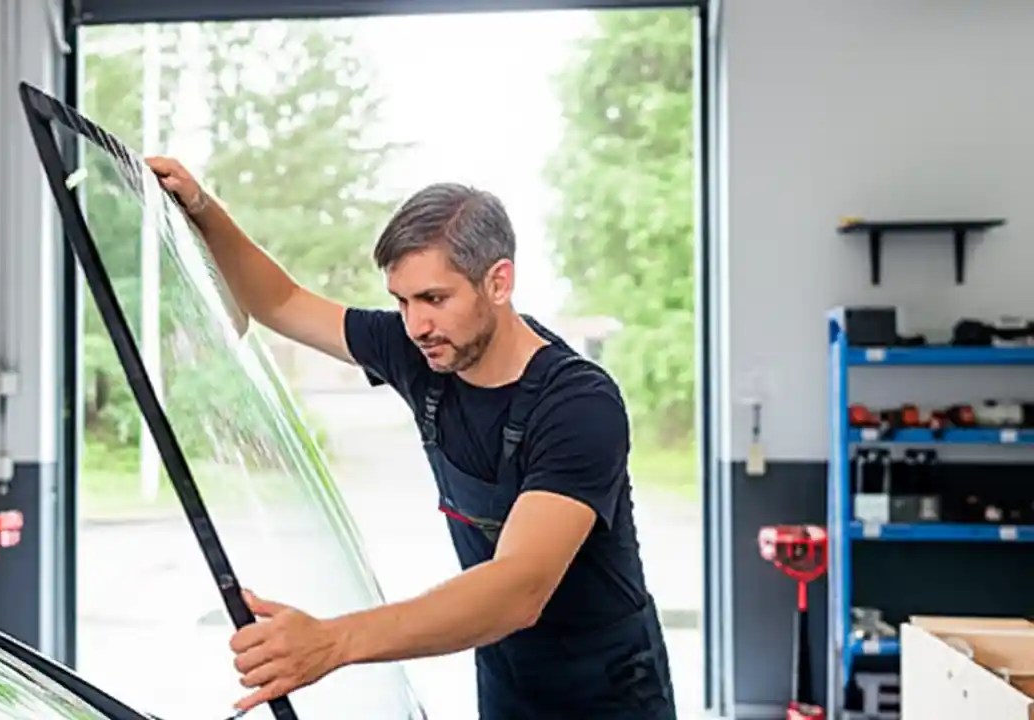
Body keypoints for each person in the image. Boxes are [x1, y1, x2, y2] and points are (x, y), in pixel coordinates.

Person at [146, 156, 676, 720]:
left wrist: (334, 641)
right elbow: (281, 302)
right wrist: (203, 209)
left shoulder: (578, 404)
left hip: (609, 689)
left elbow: (519, 587)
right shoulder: (421, 352)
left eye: (434, 299)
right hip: (506, 674)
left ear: (498, 281)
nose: (415, 323)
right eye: (401, 301)